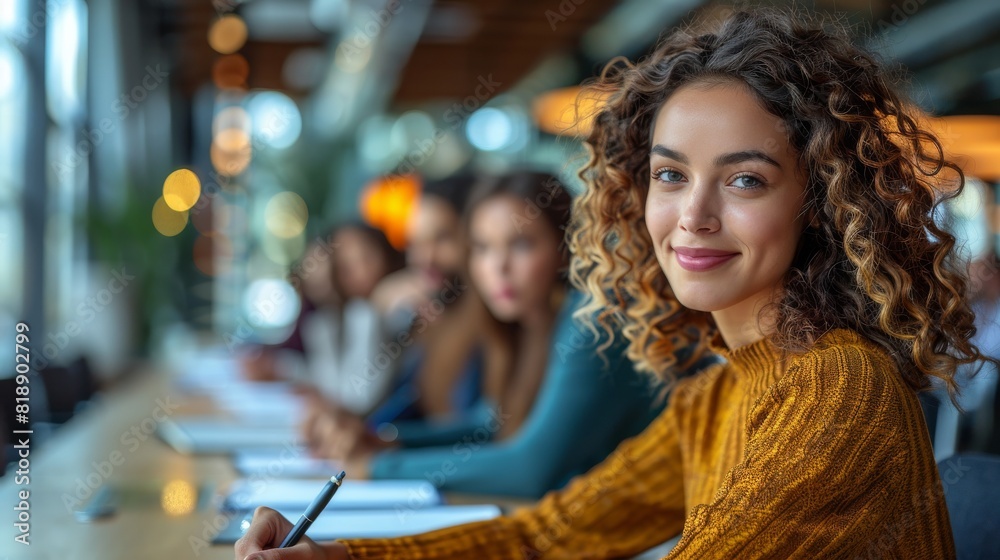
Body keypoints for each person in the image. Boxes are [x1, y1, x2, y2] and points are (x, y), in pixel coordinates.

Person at [235, 8, 1000, 559]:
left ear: (819, 204)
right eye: (671, 175)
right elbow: (552, 532)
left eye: (744, 180)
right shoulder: (722, 393)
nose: (692, 216)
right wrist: (341, 559)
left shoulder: (839, 389)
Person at [299, 171, 670, 497]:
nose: (498, 267)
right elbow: (490, 423)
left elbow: (529, 469)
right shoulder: (527, 323)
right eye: (482, 248)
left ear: (564, 248)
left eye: (521, 244)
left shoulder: (593, 320)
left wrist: (378, 468)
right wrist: (386, 443)